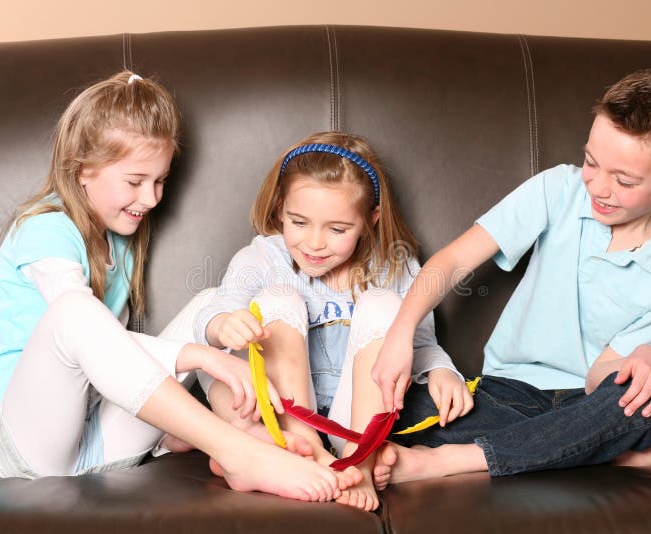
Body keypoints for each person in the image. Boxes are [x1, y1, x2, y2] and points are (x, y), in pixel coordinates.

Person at [0, 71, 340, 502]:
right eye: (136, 181)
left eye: (159, 181)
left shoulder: (118, 241)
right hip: (18, 453)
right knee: (75, 312)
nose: (153, 198)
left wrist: (197, 372)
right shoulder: (45, 230)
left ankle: (249, 435)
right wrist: (203, 358)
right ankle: (237, 451)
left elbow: (111, 365)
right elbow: (83, 330)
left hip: (94, 443)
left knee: (212, 306)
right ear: (84, 169)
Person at [370, 67, 651, 486]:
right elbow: (452, 260)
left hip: (586, 405)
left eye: (623, 181)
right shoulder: (559, 189)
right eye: (591, 162)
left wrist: (644, 362)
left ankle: (452, 460)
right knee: (403, 405)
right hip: (504, 393)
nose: (598, 187)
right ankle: (603, 455)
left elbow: (598, 379)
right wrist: (400, 334)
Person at [191, 131, 471, 510]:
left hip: (354, 417)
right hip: (285, 417)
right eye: (299, 222)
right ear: (279, 207)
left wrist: (442, 371)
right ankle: (304, 453)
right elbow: (212, 310)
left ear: (370, 220)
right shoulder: (263, 256)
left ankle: (360, 461)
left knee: (384, 303)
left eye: (337, 230)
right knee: (275, 298)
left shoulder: (395, 264)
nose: (314, 243)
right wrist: (223, 323)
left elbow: (418, 341)